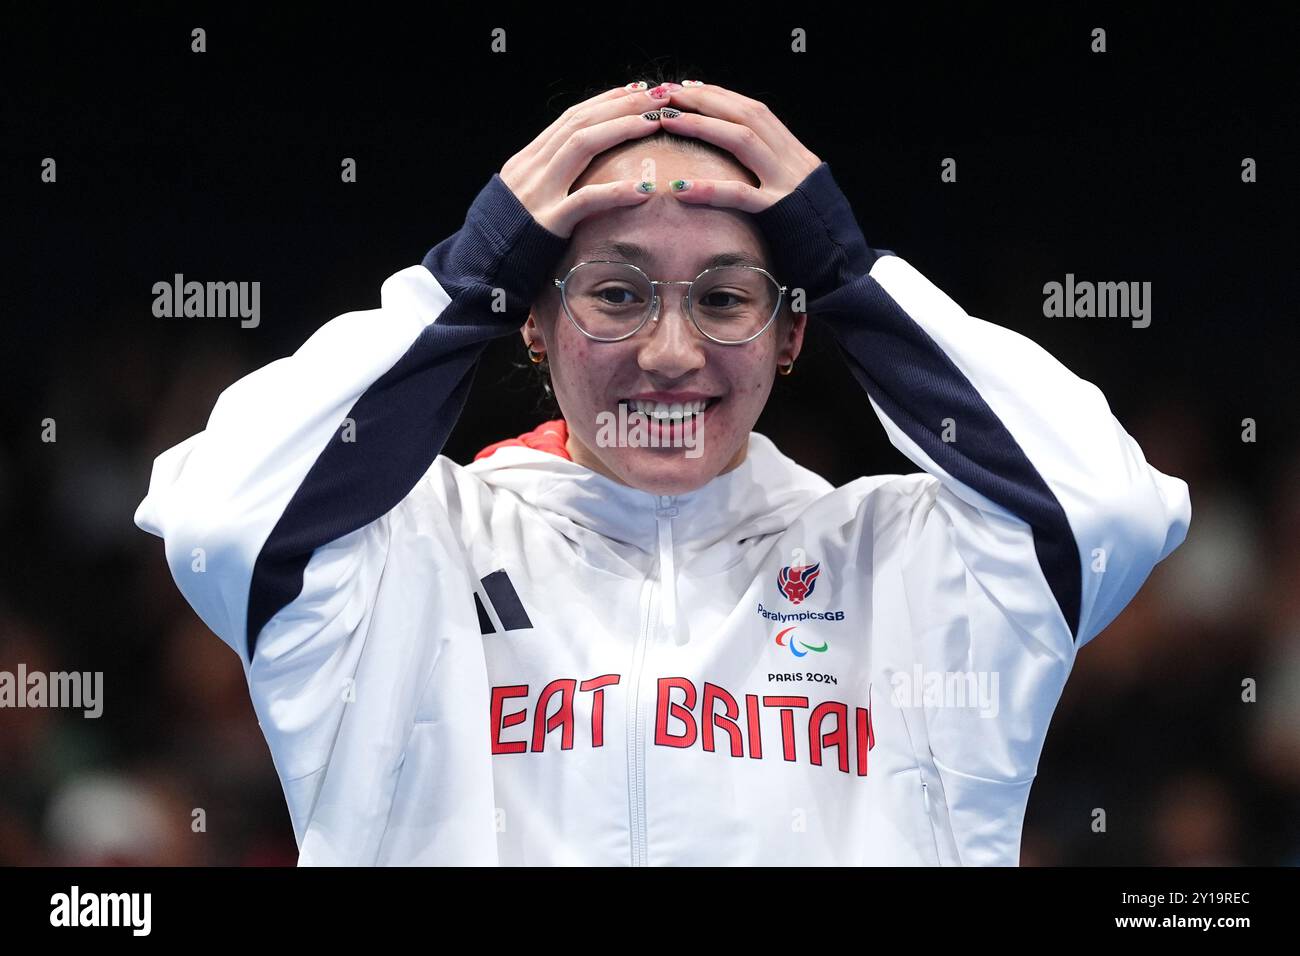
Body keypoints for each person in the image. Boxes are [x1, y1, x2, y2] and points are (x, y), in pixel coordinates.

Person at [134, 79, 1191, 865]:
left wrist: (851, 275)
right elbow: (228, 523)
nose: (672, 351)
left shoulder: (903, 564)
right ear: (535, 325)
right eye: (616, 294)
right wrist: (467, 275)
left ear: (790, 335)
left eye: (726, 299)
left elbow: (1103, 509)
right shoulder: (412, 552)